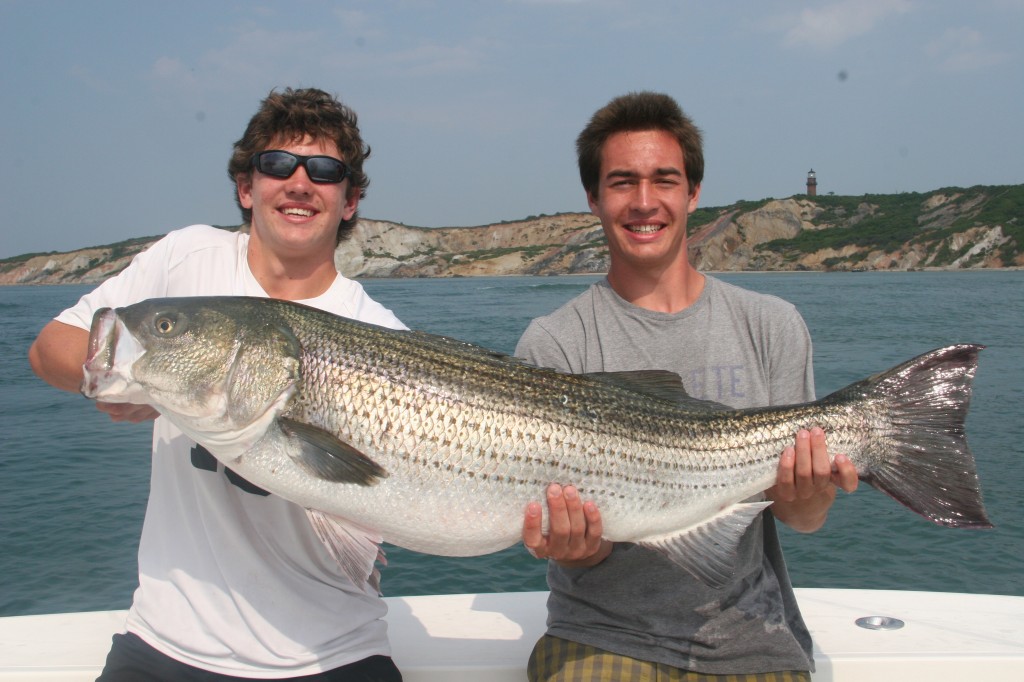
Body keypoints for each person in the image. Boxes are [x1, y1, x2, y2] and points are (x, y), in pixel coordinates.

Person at [29, 88, 405, 681]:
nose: (299, 183)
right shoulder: (186, 259)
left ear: (350, 200)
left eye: (325, 171)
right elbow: (51, 346)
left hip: (335, 654)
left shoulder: (382, 337)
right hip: (163, 647)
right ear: (246, 188)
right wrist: (130, 384)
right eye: (277, 164)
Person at [517, 91, 860, 681]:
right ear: (594, 198)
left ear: (693, 192)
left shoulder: (772, 325)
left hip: (752, 641)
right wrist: (578, 545)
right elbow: (581, 551)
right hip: (601, 637)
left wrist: (809, 493)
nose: (643, 202)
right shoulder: (554, 343)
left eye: (664, 180)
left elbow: (802, 518)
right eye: (622, 182)